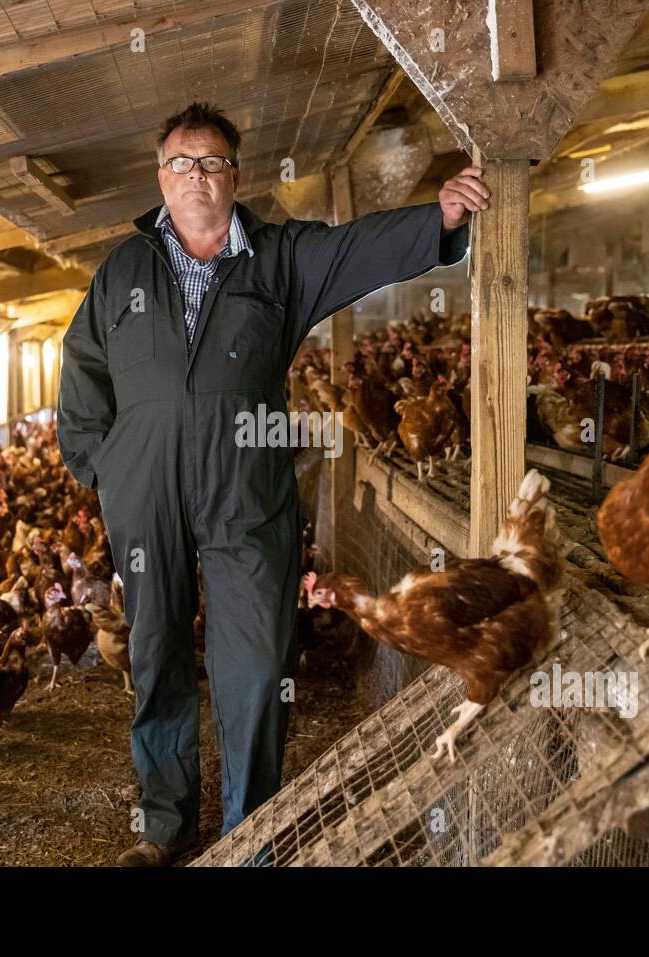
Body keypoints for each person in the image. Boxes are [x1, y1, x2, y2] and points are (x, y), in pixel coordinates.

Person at [58, 101, 490, 866]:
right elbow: (83, 362)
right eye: (182, 163)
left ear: (234, 176)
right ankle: (164, 825)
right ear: (162, 178)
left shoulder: (279, 258)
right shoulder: (122, 268)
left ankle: (249, 832)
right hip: (144, 491)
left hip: (246, 488)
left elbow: (357, 248)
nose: (197, 176)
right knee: (154, 652)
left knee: (256, 660)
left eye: (212, 162)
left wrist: (440, 219)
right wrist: (101, 465)